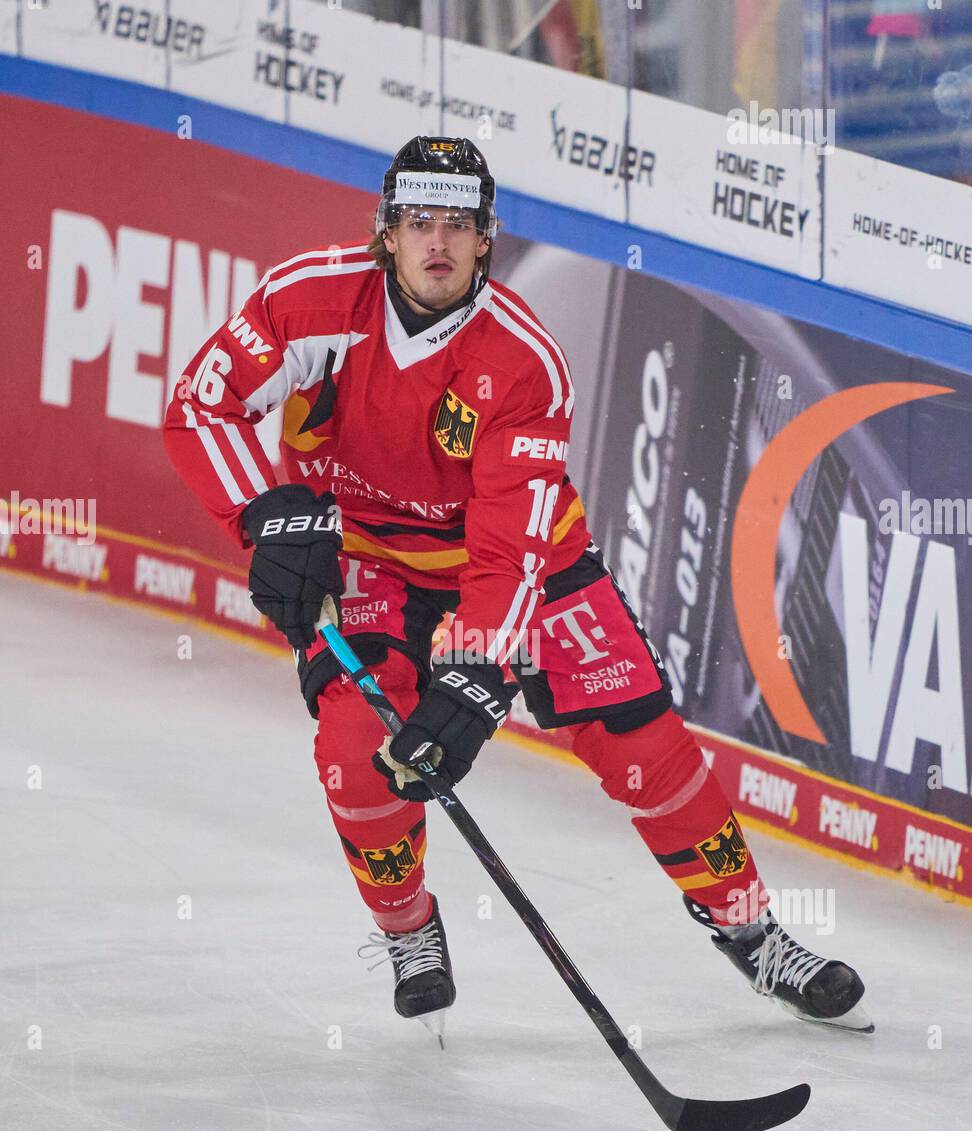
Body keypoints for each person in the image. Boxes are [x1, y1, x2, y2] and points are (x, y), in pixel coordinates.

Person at [163, 136, 871, 1034]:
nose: (438, 244)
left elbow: (508, 551)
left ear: (487, 239)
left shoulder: (525, 362)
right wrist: (264, 516)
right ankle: (408, 926)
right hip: (371, 559)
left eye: (459, 225)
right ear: (384, 231)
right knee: (354, 750)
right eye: (419, 223)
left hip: (525, 569)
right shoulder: (306, 302)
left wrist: (477, 674)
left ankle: (752, 932)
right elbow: (199, 407)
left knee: (643, 744)